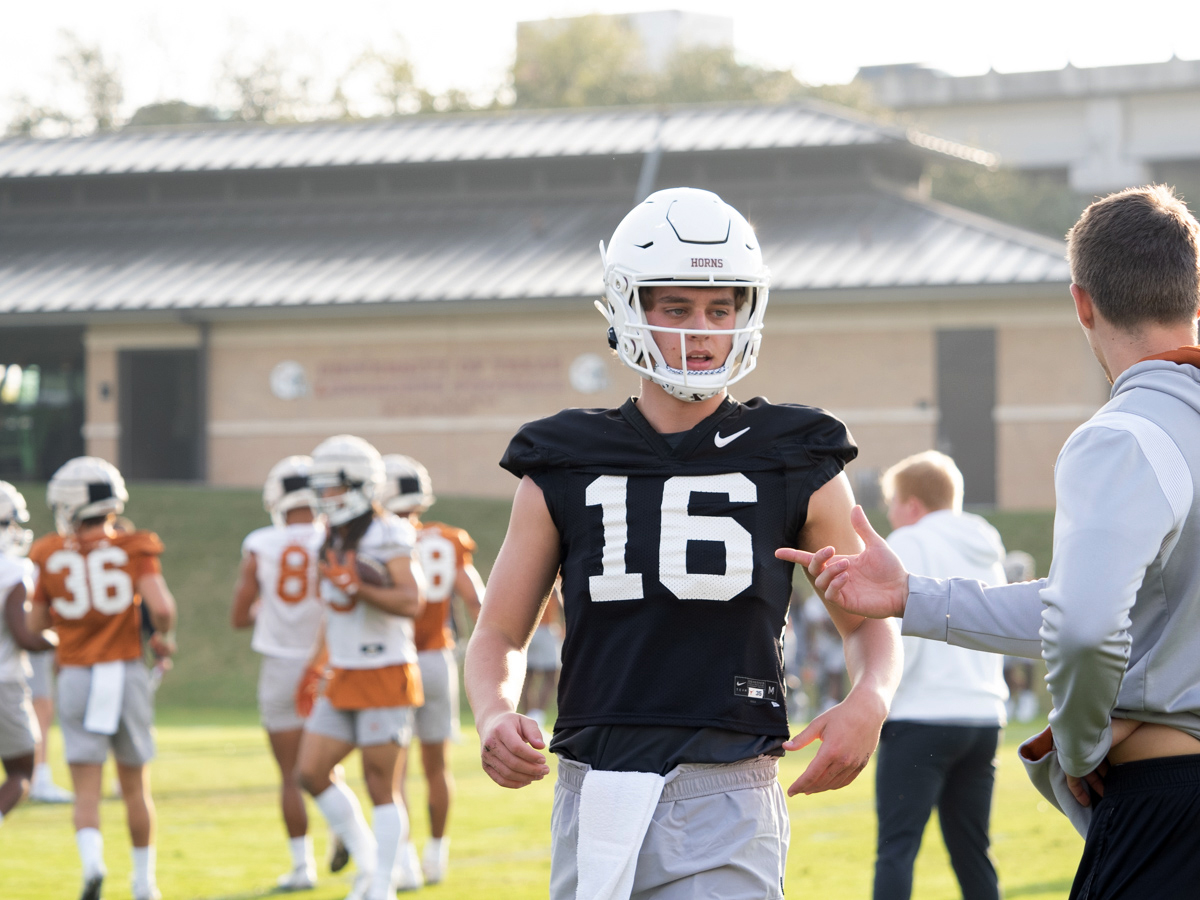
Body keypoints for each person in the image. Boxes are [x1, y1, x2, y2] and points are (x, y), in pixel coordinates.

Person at [465, 187, 902, 899]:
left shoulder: (796, 454)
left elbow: (870, 626)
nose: (702, 331)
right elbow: (499, 635)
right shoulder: (562, 458)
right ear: (629, 307)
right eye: (677, 308)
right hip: (593, 787)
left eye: (720, 308)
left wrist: (871, 701)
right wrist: (492, 713)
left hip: (727, 785)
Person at [785, 184, 1200, 900]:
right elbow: (1091, 601)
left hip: (1167, 808)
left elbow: (1083, 627)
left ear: (1082, 303)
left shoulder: (1123, 436)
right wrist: (913, 596)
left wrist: (1079, 746)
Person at [27, 457, 176, 900]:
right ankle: (144, 884)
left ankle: (93, 866)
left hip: (75, 675)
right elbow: (162, 609)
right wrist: (162, 637)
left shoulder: (49, 552)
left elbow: (35, 628)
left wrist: (71, 632)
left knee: (86, 791)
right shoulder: (134, 547)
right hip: (125, 671)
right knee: (134, 788)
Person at [294, 435, 426, 900]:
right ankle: (369, 865)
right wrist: (316, 665)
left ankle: (382, 886)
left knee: (380, 785)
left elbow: (411, 601)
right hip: (344, 671)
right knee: (310, 772)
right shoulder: (329, 534)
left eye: (329, 488)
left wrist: (360, 588)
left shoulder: (387, 532)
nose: (322, 497)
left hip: (385, 669)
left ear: (356, 485)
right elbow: (333, 614)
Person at [872, 451, 1008, 900]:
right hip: (982, 716)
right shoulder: (986, 548)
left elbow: (895, 634)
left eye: (892, 503)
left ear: (912, 504)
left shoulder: (909, 542)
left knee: (896, 850)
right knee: (973, 852)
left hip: (921, 716)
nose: (889, 514)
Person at [380, 453, 485, 887]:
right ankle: (436, 855)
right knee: (437, 765)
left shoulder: (382, 538)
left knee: (394, 769)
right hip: (437, 658)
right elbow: (477, 600)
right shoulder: (447, 538)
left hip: (395, 658)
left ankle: (403, 860)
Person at [231, 455, 327, 891]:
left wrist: (262, 607)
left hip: (279, 664)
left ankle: (302, 866)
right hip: (328, 662)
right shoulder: (334, 538)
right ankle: (346, 833)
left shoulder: (260, 543)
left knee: (290, 774)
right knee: (327, 764)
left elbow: (238, 615)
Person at [0, 481, 57, 825]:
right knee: (22, 771)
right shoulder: (13, 571)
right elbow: (26, 636)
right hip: (3, 682)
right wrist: (59, 638)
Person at [519, 581, 561, 731]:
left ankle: (528, 720)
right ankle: (537, 718)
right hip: (544, 628)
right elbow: (557, 598)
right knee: (551, 675)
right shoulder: (549, 570)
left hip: (526, 628)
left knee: (528, 676)